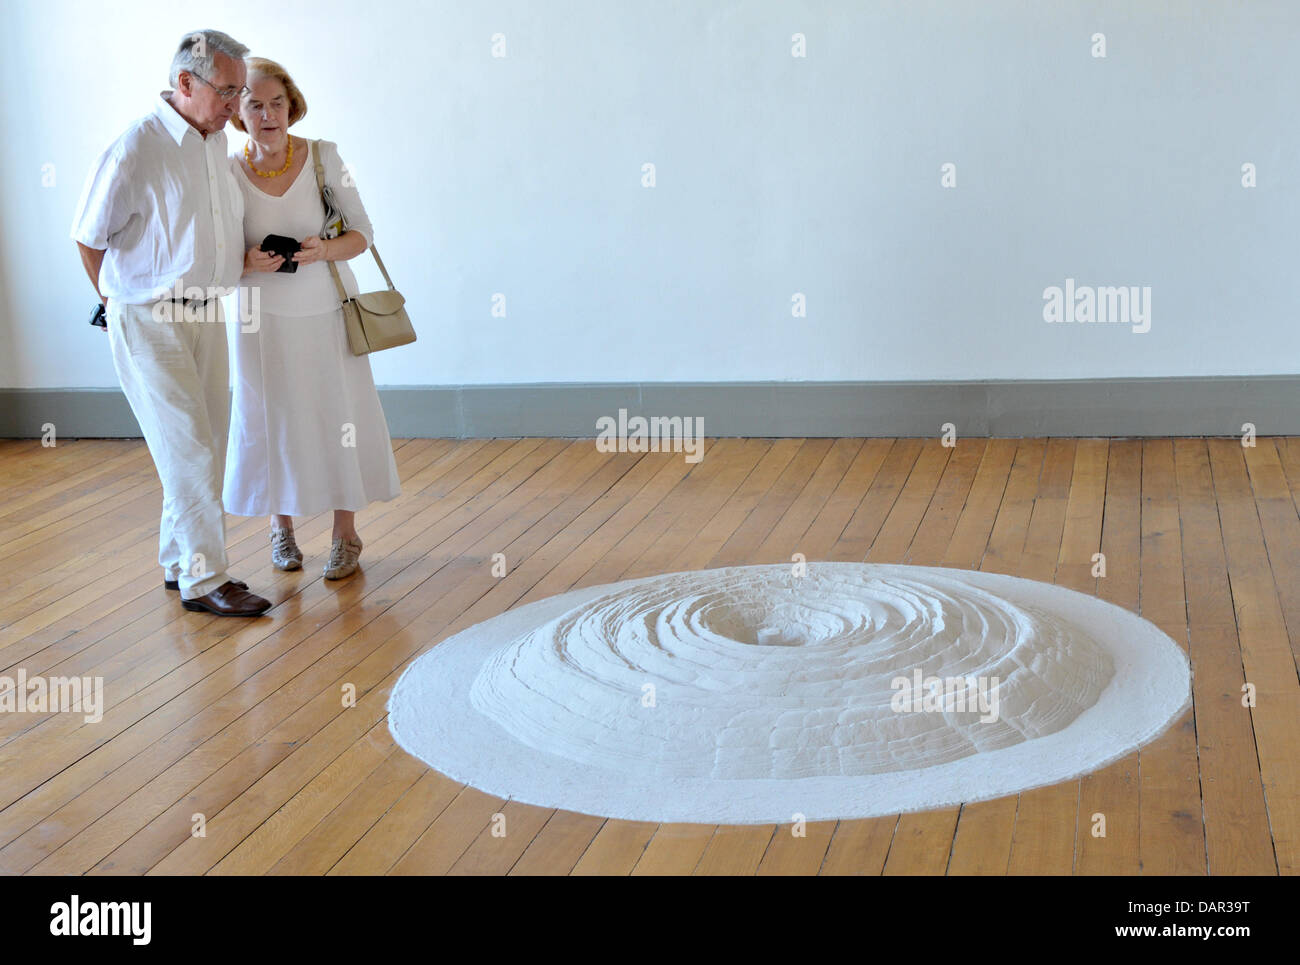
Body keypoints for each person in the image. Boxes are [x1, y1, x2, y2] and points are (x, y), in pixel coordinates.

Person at [71, 29, 272, 617]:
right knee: (188, 447)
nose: (237, 105)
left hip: (208, 314)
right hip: (148, 318)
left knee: (202, 441)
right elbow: (89, 239)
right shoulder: (137, 146)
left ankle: (176, 558)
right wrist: (118, 304)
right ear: (186, 83)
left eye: (239, 92)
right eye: (228, 92)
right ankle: (206, 578)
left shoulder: (213, 142)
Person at [223, 57, 401, 580]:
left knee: (336, 416)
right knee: (270, 418)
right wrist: (243, 260)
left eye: (276, 102)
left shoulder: (325, 156)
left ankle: (345, 534)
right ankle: (282, 530)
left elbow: (363, 232)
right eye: (254, 103)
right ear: (239, 111)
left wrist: (323, 251)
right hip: (258, 316)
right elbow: (212, 248)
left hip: (324, 310)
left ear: (291, 106)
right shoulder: (226, 169)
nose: (267, 113)